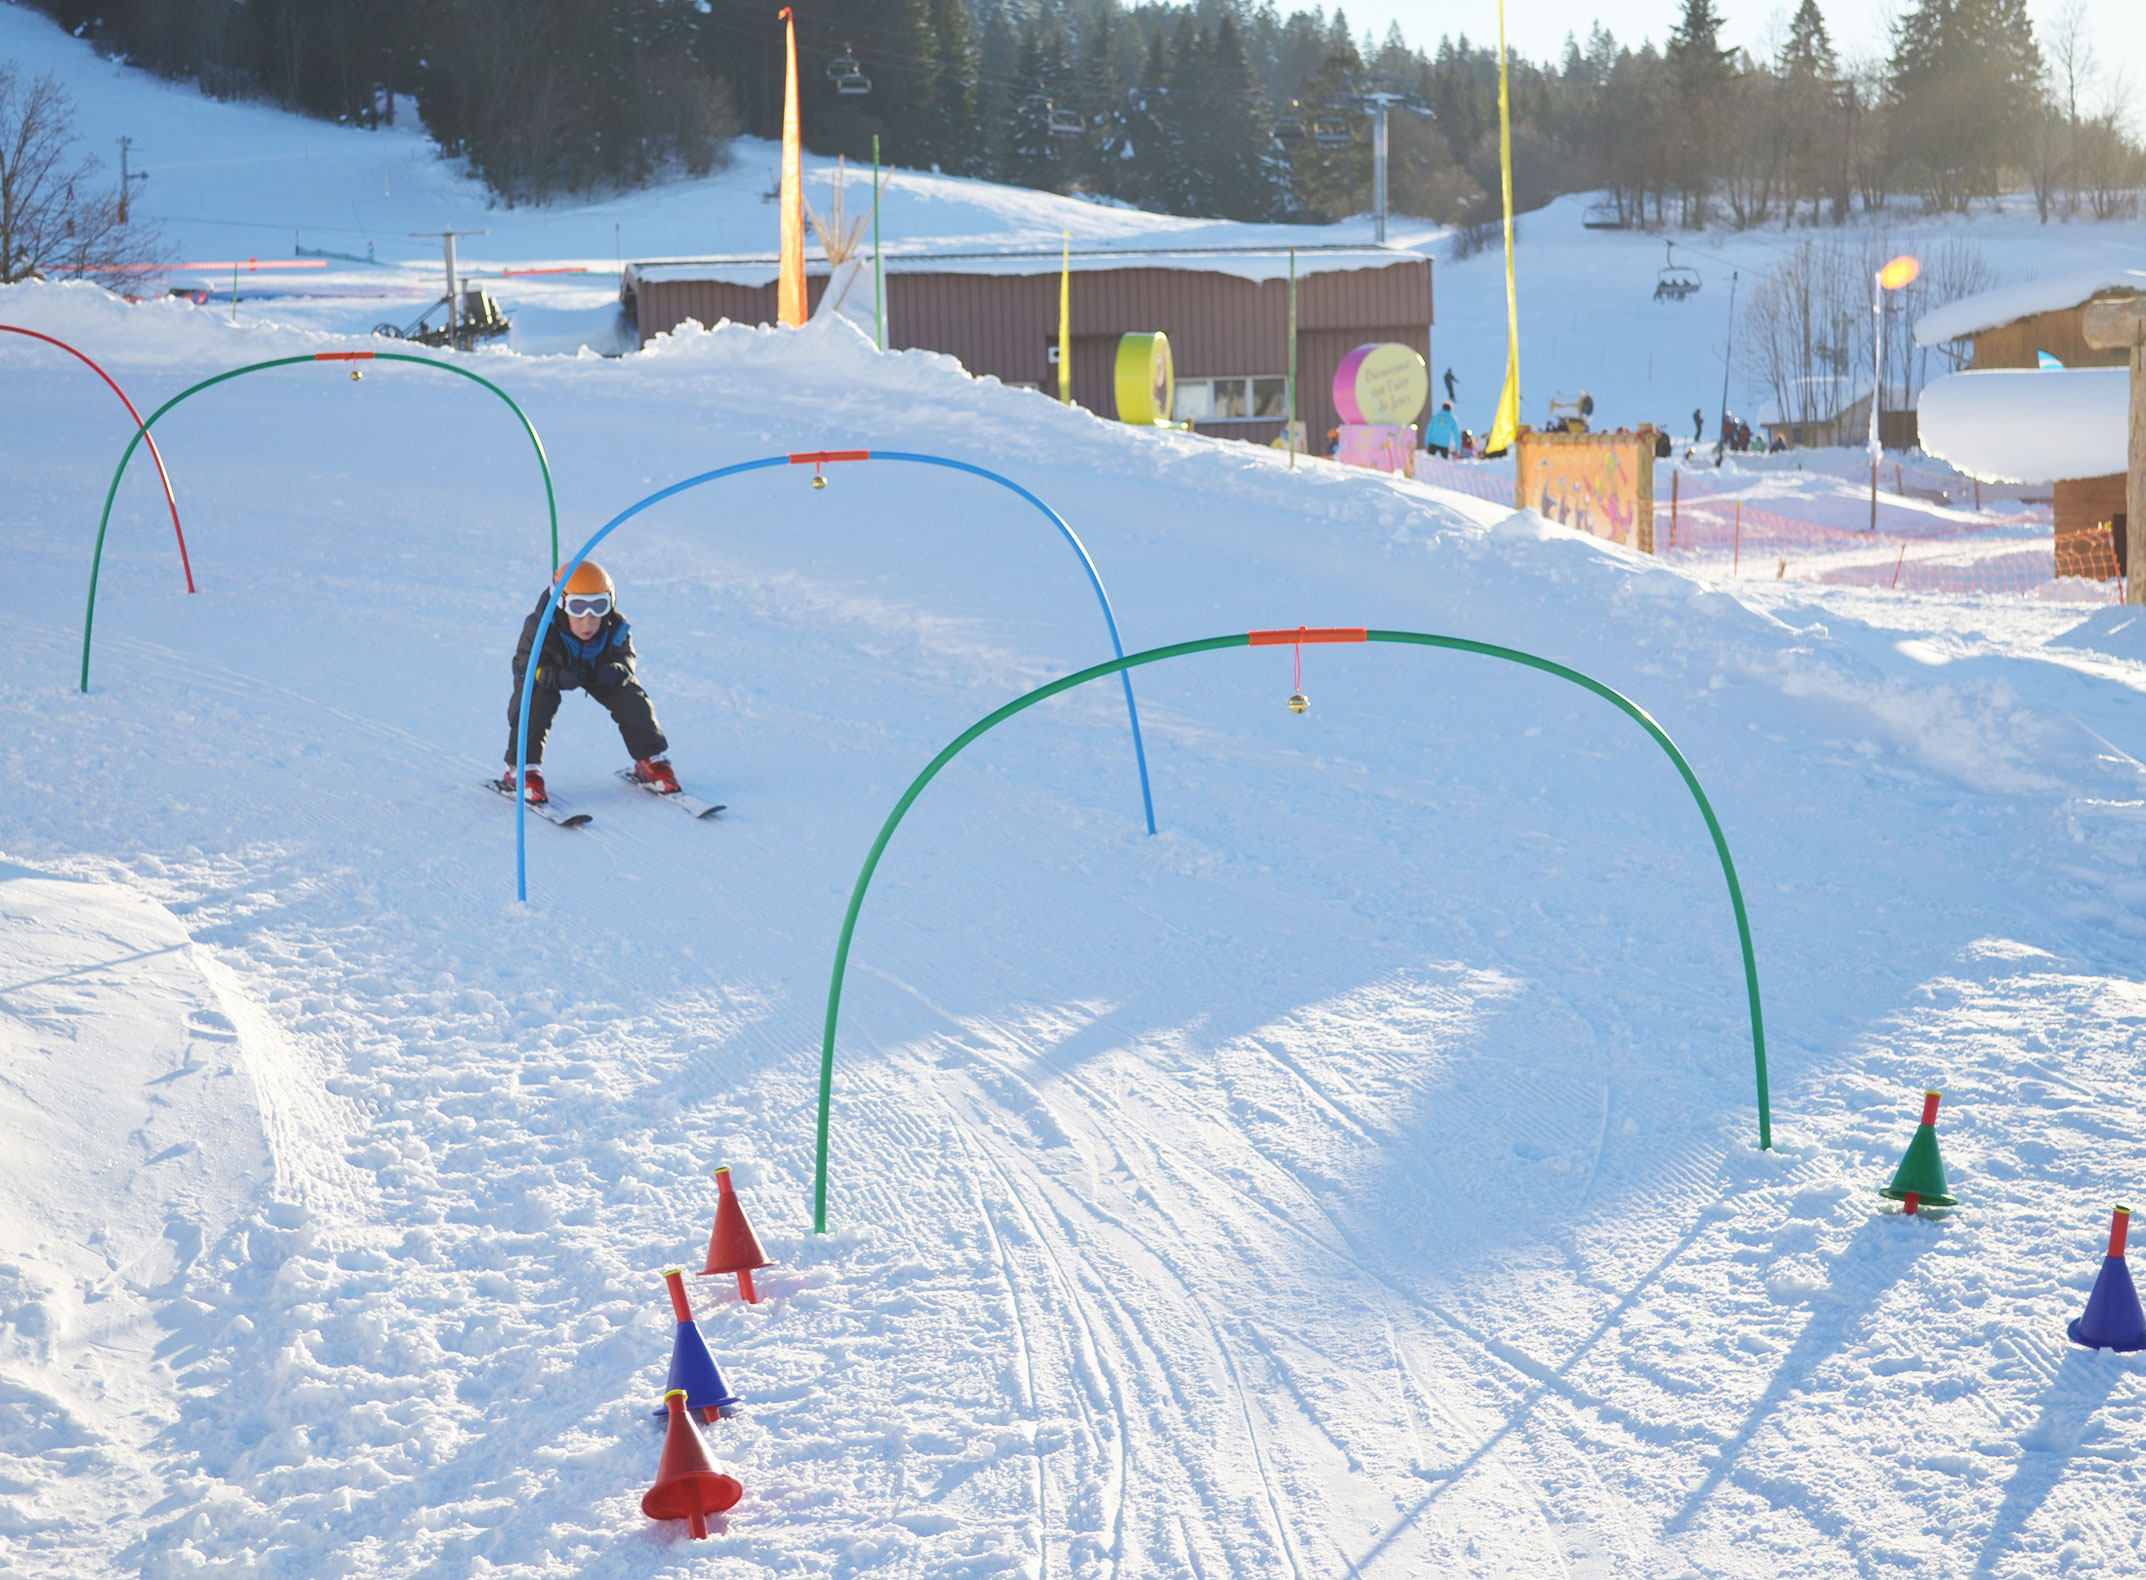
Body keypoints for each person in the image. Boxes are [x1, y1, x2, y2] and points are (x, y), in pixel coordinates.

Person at [502, 560, 677, 803]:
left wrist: (615, 672)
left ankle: (650, 759)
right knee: (535, 700)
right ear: (561, 605)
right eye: (578, 608)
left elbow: (626, 659)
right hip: (555, 672)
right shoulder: (540, 626)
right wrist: (554, 676)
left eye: (598, 608)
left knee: (632, 698)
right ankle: (522, 768)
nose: (589, 621)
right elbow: (526, 665)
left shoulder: (614, 625)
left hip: (598, 670)